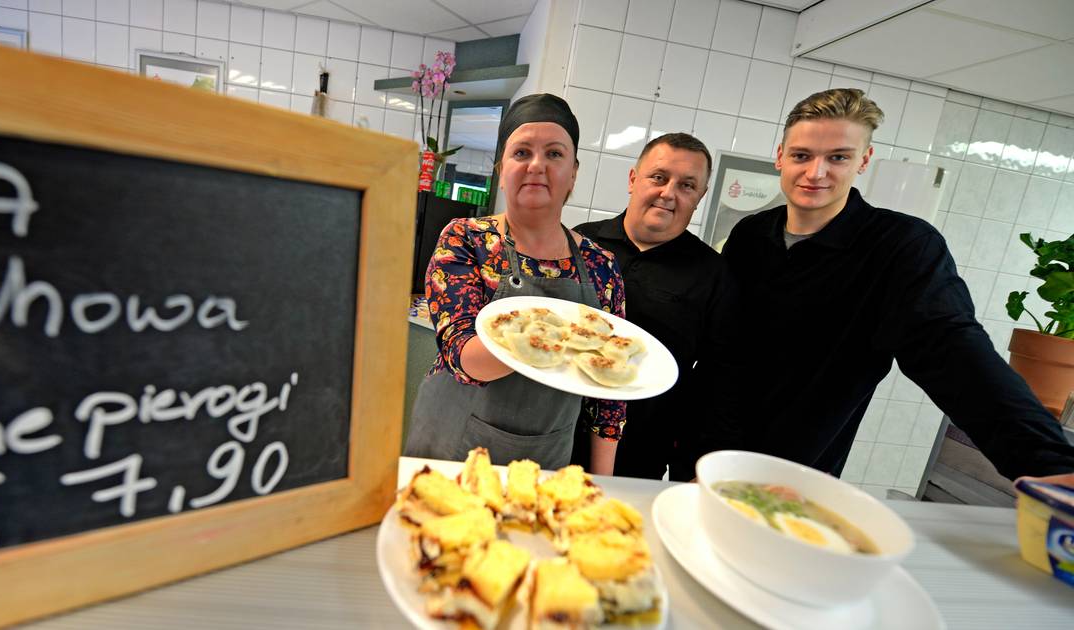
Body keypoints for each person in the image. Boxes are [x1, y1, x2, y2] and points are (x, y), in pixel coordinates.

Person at [716, 88, 1074, 480]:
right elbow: (722, 346)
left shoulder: (900, 247)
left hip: (791, 474)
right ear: (780, 156)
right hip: (706, 452)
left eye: (838, 157)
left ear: (864, 159)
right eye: (802, 155)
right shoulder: (750, 236)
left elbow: (954, 352)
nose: (816, 172)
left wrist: (1049, 463)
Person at [403, 93, 627, 474]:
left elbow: (609, 397)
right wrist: (566, 342)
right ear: (501, 169)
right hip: (450, 453)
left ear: (574, 172)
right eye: (522, 152)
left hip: (546, 462)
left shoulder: (600, 266)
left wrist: (602, 483)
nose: (537, 165)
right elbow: (465, 356)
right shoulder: (465, 239)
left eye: (554, 154)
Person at [572, 133, 742, 481]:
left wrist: (696, 466)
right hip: (555, 433)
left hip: (640, 453)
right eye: (659, 177)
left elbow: (718, 380)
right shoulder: (579, 242)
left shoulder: (713, 274)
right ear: (633, 179)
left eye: (687, 185)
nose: (668, 193)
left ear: (700, 196)